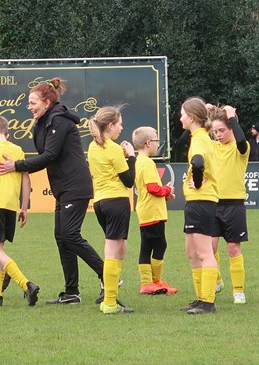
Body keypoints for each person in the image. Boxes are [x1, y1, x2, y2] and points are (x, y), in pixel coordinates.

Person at [0, 78, 103, 304]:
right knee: (62, 237)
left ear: (47, 102)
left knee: (70, 235)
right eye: (29, 103)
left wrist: (17, 166)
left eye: (33, 102)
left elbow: (50, 156)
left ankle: (108, 276)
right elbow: (47, 156)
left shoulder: (59, 120)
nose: (29, 107)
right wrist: (19, 166)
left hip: (75, 186)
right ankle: (71, 292)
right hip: (63, 188)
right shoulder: (43, 123)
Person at [0, 115, 41, 308]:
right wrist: (24, 207)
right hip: (11, 206)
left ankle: (26, 284)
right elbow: (26, 179)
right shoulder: (17, 149)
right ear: (7, 133)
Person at [87, 107, 137, 314]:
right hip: (116, 200)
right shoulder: (113, 148)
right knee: (113, 251)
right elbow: (128, 180)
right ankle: (109, 302)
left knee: (120, 248)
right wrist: (131, 157)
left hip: (100, 202)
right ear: (110, 125)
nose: (121, 128)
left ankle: (110, 294)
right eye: (119, 124)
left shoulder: (92, 146)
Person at [179, 97, 221, 314]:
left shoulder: (199, 139)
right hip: (197, 201)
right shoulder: (200, 136)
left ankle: (208, 301)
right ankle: (200, 298)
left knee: (204, 253)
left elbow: (197, 163)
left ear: (192, 117)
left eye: (182, 115)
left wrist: (196, 182)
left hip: (201, 201)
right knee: (192, 252)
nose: (180, 118)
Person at [210, 105, 250, 305]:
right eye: (215, 131)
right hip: (212, 204)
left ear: (232, 128)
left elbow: (241, 141)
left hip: (234, 205)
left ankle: (238, 290)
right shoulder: (212, 147)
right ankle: (217, 281)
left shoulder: (240, 148)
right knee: (209, 248)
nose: (218, 135)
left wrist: (232, 116)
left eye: (222, 130)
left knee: (233, 248)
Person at [132, 126, 178, 296]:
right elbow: (153, 188)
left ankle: (150, 282)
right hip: (152, 212)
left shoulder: (139, 161)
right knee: (159, 245)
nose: (158, 144)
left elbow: (148, 189)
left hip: (146, 210)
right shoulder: (147, 163)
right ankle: (151, 281)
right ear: (148, 143)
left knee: (148, 245)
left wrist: (164, 193)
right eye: (157, 140)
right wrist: (167, 190)